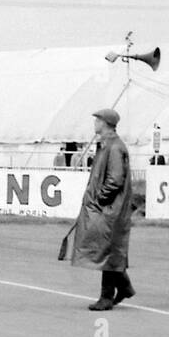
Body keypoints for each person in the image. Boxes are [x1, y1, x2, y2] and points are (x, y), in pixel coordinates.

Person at [69, 108, 134, 310]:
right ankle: (124, 286)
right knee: (108, 249)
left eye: (97, 120)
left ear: (105, 122)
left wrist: (99, 199)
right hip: (109, 207)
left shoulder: (114, 147)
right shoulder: (108, 145)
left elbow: (115, 179)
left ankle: (107, 296)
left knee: (107, 249)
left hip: (110, 208)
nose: (94, 123)